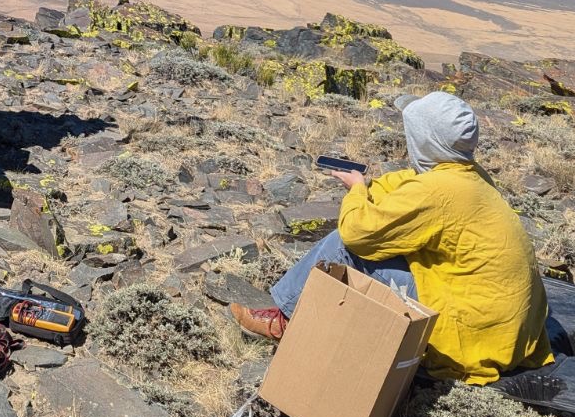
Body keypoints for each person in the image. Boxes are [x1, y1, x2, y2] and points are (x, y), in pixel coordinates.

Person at [230, 91, 552, 385]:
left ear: (425, 141)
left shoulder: (436, 192)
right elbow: (407, 182)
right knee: (387, 243)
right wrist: (369, 183)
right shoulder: (468, 175)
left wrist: (357, 191)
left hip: (467, 338)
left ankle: (285, 318)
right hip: (513, 334)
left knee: (343, 246)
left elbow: (357, 235)